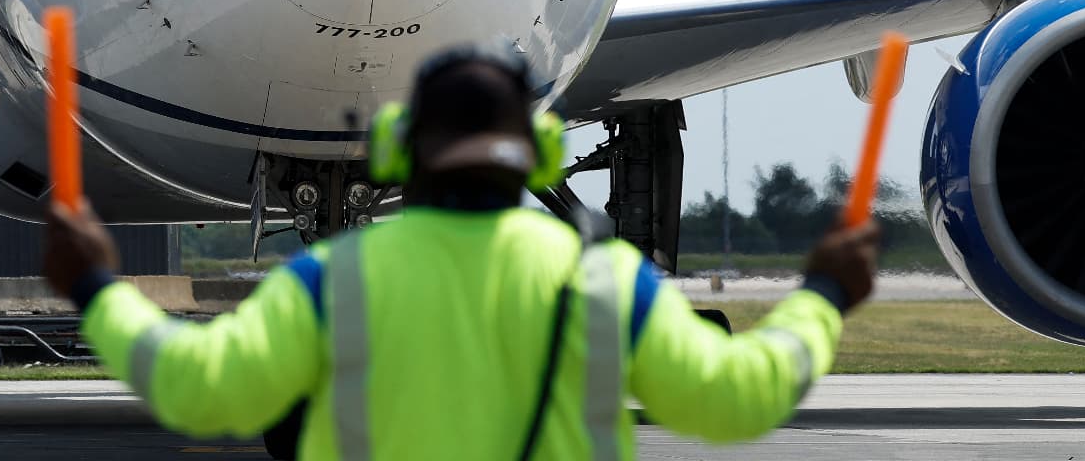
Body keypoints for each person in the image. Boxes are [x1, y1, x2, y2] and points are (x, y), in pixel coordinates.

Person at [43, 43, 880, 460]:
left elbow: (196, 391)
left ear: (401, 147)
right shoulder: (601, 282)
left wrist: (96, 288)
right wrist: (824, 300)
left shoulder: (336, 281)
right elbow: (738, 401)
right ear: (543, 151)